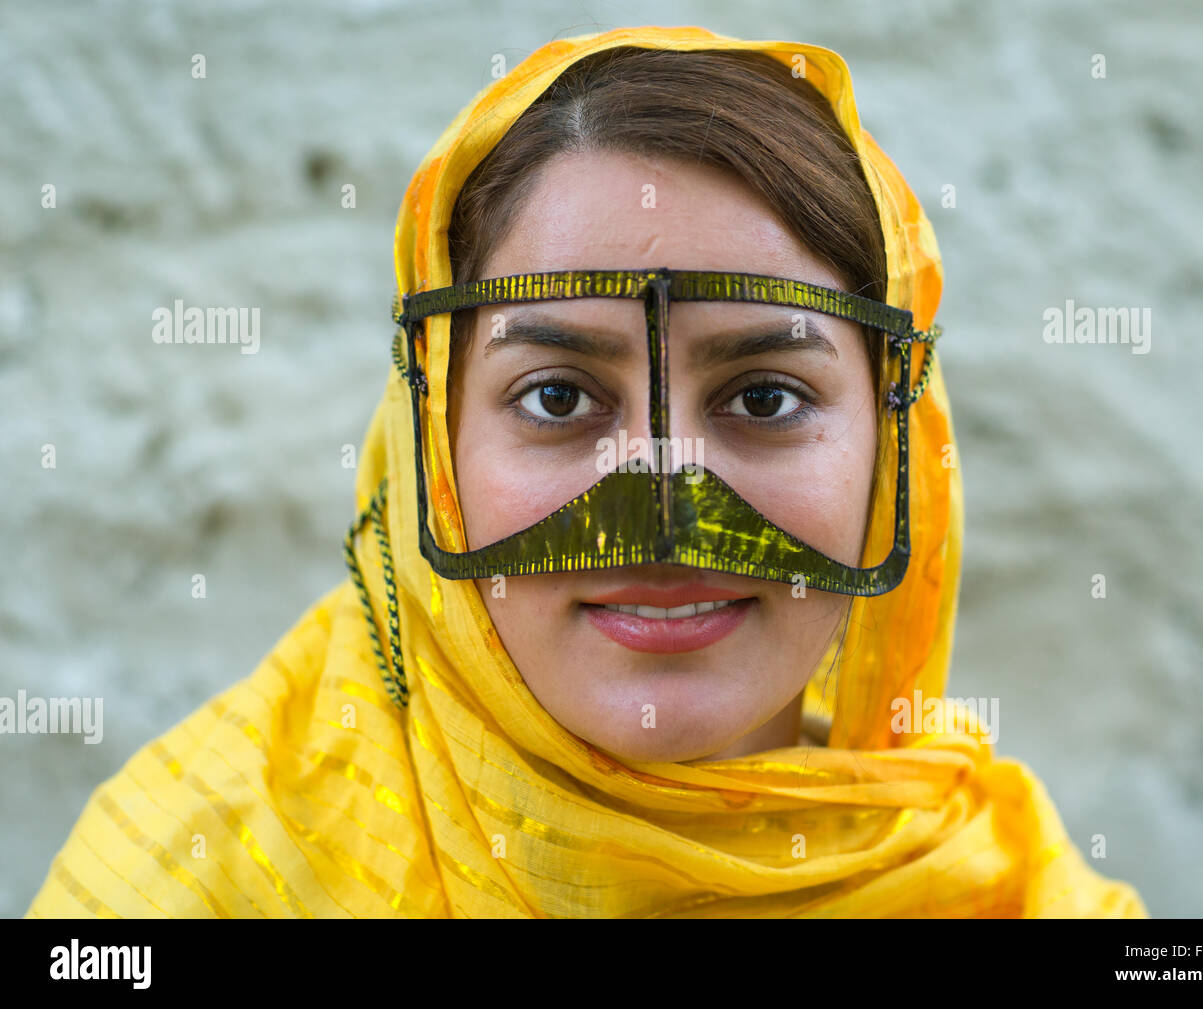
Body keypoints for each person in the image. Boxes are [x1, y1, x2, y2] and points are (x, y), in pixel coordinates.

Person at [27, 25, 1146, 918]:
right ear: (435, 449)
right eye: (558, 397)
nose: (659, 506)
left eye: (765, 397)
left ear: (898, 453)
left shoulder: (1004, 895)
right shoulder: (195, 876)